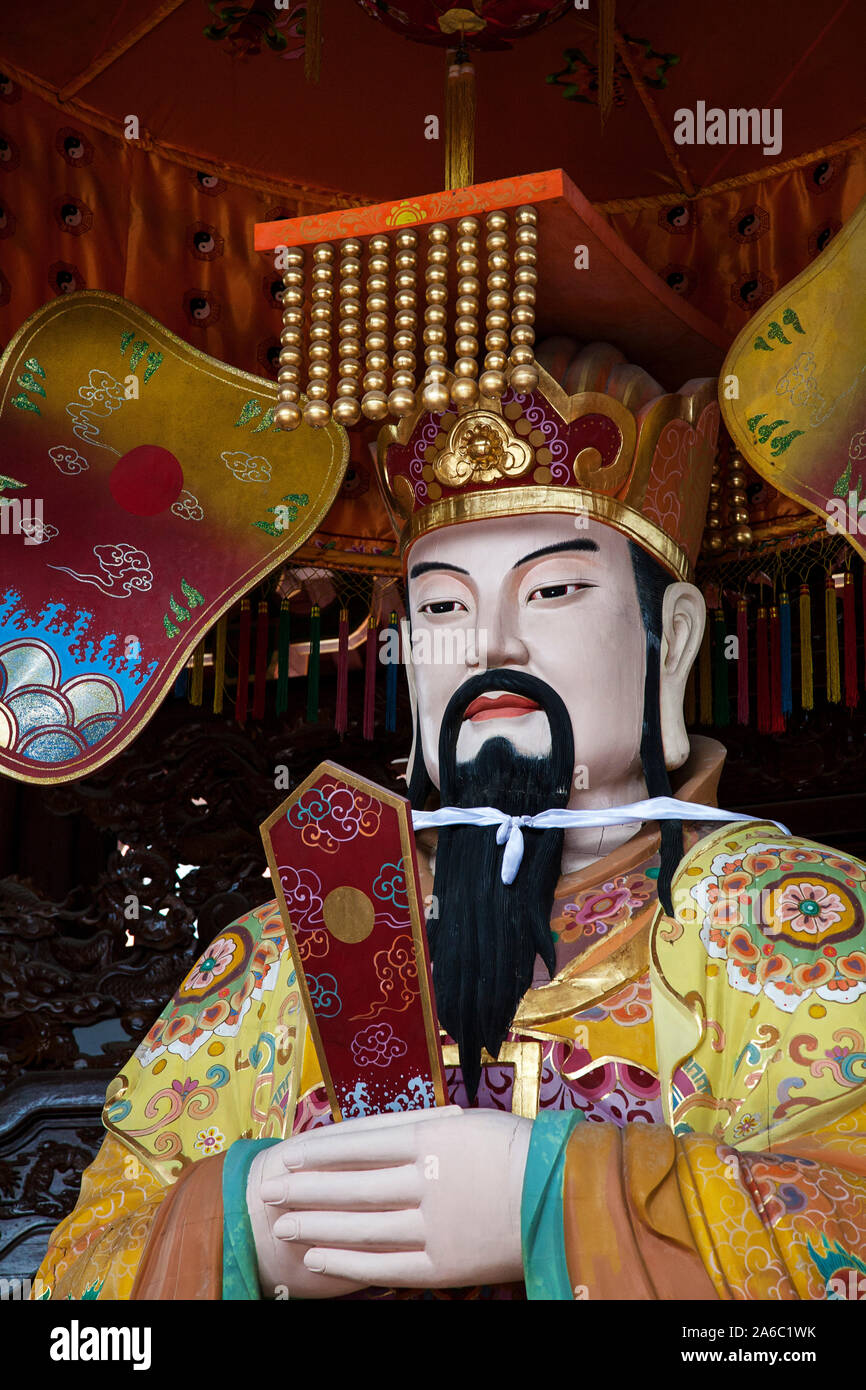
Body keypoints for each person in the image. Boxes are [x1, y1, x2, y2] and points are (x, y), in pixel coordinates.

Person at [33, 327, 866, 1302]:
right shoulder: (269, 963)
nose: (489, 644)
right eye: (437, 608)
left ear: (671, 639)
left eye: (552, 589)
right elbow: (66, 1316)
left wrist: (554, 1199)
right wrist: (240, 1226)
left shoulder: (790, 925)